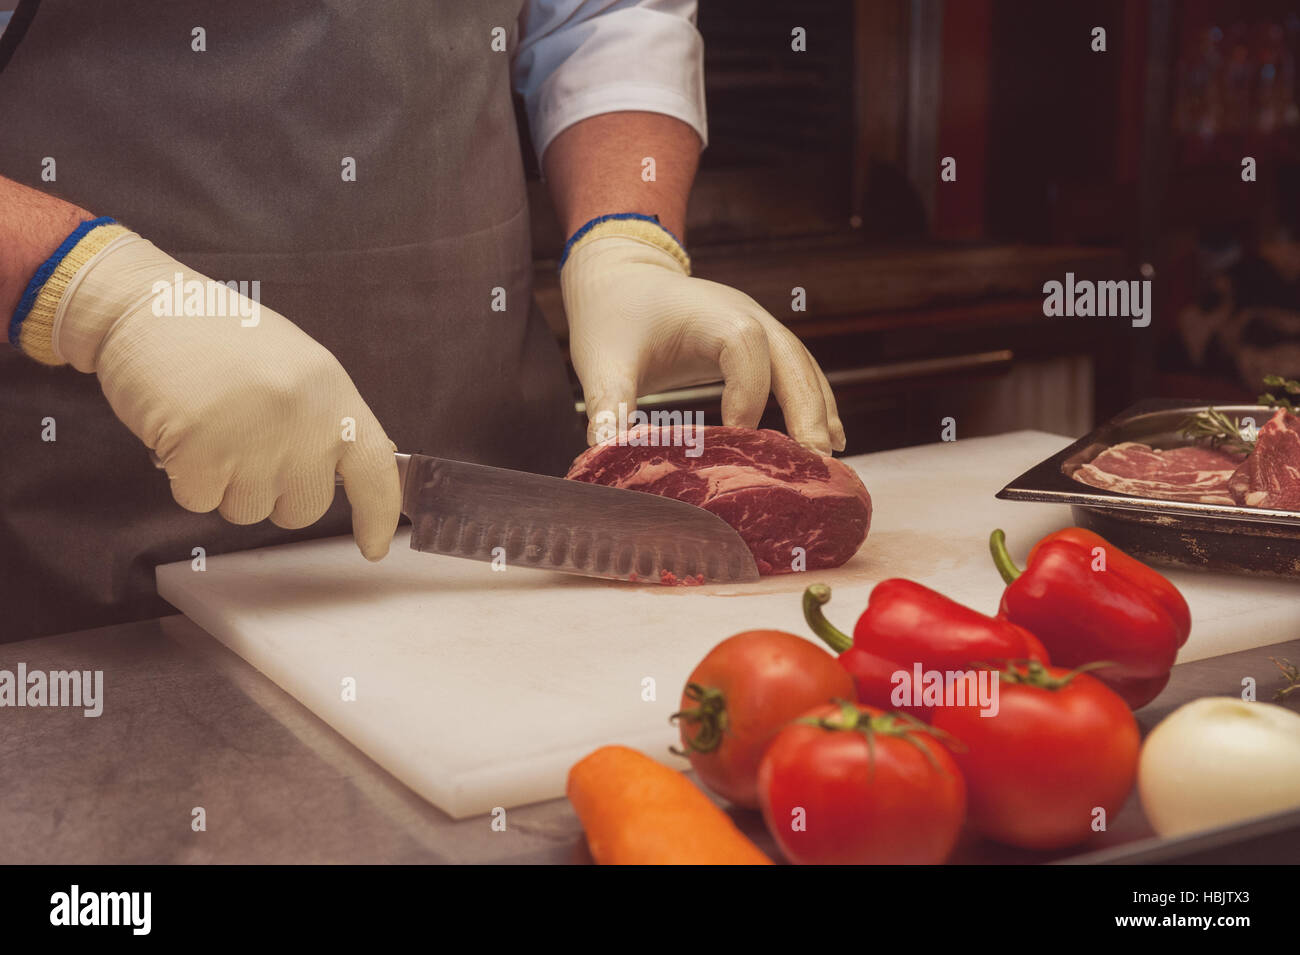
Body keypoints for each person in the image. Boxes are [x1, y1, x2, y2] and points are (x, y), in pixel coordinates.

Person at [0, 1, 843, 640]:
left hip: (489, 561)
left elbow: (608, 15)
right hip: (93, 566)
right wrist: (94, 297)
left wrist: (626, 239)